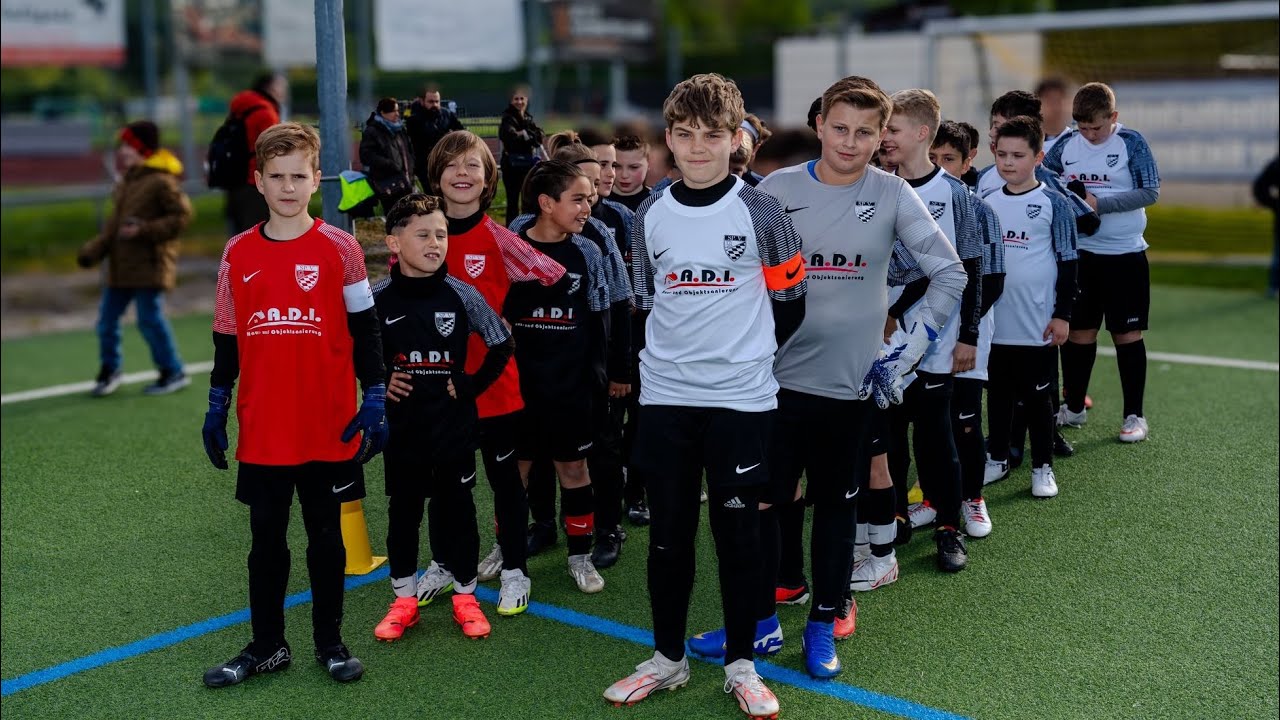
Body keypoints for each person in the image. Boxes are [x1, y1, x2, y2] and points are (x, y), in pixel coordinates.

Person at [604, 73, 806, 718]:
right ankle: (666, 659)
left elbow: (792, 302)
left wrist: (743, 357)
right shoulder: (648, 213)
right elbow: (642, 301)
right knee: (668, 535)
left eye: (711, 135)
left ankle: (743, 663)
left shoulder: (763, 209)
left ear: (735, 139)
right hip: (666, 400)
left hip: (742, 402)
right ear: (668, 139)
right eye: (684, 136)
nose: (697, 148)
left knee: (739, 535)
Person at [200, 122, 387, 688]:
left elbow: (366, 330)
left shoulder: (342, 247)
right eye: (276, 176)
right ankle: (266, 646)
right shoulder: (237, 252)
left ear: (315, 181)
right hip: (265, 427)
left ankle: (330, 642)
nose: (287, 186)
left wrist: (375, 394)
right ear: (258, 180)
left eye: (298, 176)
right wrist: (217, 400)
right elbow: (227, 336)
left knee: (326, 539)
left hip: (328, 424)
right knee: (265, 541)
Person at [409, 130, 566, 617]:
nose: (462, 173)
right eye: (452, 165)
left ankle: (516, 569)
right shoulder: (419, 234)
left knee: (505, 482)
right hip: (437, 385)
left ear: (487, 179)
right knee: (443, 483)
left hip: (495, 383)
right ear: (436, 176)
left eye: (472, 165)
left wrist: (505, 318)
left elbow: (551, 275)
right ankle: (441, 561)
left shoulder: (500, 237)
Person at [371, 193, 514, 643]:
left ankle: (466, 599)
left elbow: (502, 343)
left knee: (458, 513)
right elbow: (348, 351)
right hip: (403, 431)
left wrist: (471, 384)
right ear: (393, 243)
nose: (435, 243)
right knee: (403, 513)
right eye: (423, 234)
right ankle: (403, 602)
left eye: (441, 234)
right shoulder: (375, 297)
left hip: (453, 428)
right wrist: (377, 381)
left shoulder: (462, 293)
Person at [508, 143, 633, 569]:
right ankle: (541, 526)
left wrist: (617, 368)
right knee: (533, 459)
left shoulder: (595, 239)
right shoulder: (518, 232)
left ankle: (606, 530)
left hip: (581, 377)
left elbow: (617, 305)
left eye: (592, 193)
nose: (591, 201)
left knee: (598, 453)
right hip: (529, 380)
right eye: (581, 193)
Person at [878, 89, 984, 571]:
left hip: (936, 341)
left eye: (892, 130)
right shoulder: (877, 185)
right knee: (891, 433)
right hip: (882, 337)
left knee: (937, 438)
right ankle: (896, 514)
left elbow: (970, 268)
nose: (884, 139)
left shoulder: (956, 194)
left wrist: (970, 335)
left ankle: (947, 525)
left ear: (923, 133)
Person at [1044, 82, 1160, 445]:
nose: (1090, 135)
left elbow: (1150, 191)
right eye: (1083, 128)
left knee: (1126, 334)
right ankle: (1074, 406)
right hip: (1080, 255)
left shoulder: (1133, 142)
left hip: (1125, 254)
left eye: (1097, 127)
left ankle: (1134, 416)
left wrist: (1098, 203)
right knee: (1079, 334)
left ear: (1114, 117)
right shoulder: (1065, 145)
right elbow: (1045, 179)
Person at [981, 116, 1078, 497]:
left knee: (1039, 398)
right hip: (995, 323)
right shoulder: (985, 204)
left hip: (1037, 323)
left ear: (1038, 156)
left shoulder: (1054, 204)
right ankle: (997, 458)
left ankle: (1042, 467)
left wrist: (1063, 314)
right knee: (999, 395)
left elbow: (1069, 262)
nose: (1008, 162)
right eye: (1002, 154)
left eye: (1018, 155)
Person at [929, 120, 1006, 537]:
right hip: (919, 332)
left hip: (965, 332)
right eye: (933, 158)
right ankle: (932, 497)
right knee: (929, 422)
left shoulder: (978, 209)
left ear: (966, 162)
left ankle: (972, 498)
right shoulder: (908, 200)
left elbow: (991, 280)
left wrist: (965, 330)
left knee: (965, 418)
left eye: (949, 159)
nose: (940, 166)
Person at [78, 120, 194, 397]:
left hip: (149, 265)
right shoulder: (127, 182)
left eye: (128, 146)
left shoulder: (161, 180)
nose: (123, 151)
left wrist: (144, 231)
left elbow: (182, 216)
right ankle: (110, 370)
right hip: (120, 268)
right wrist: (93, 251)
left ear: (142, 148)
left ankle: (173, 370)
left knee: (149, 320)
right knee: (106, 321)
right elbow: (114, 228)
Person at [224, 72, 287, 234]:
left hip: (235, 178)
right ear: (269, 89)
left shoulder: (242, 108)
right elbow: (274, 149)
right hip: (255, 180)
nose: (284, 93)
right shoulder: (266, 113)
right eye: (281, 87)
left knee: (240, 234)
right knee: (257, 234)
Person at [359, 97, 416, 215]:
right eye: (393, 111)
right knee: (394, 215)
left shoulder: (399, 130)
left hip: (405, 181)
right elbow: (366, 155)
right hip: (388, 183)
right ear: (383, 113)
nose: (397, 114)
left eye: (397, 111)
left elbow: (408, 152)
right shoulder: (373, 131)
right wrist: (389, 164)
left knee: (409, 216)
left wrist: (411, 167)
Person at [498, 85, 546, 225]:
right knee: (512, 201)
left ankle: (526, 228)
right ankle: (511, 229)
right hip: (512, 166)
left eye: (522, 98)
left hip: (527, 165)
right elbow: (509, 137)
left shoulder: (528, 118)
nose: (519, 102)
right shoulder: (507, 117)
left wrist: (525, 135)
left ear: (526, 100)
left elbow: (539, 136)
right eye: (516, 99)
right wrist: (528, 136)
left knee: (528, 199)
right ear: (511, 101)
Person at [404, 83, 465, 191]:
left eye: (437, 101)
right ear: (422, 102)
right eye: (431, 102)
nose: (435, 105)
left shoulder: (446, 114)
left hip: (445, 162)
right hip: (425, 165)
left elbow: (461, 131)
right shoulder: (414, 120)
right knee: (432, 195)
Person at [1252, 156, 1279, 298]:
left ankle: (1274, 287)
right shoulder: (1276, 165)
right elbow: (1260, 186)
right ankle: (1274, 287)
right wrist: (1272, 203)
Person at [610, 134, 652, 214]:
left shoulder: (657, 202)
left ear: (649, 164)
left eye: (634, 167)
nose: (624, 175)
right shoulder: (597, 201)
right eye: (616, 166)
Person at [1036, 76, 1075, 156]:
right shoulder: (1025, 142)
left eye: (1060, 100)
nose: (1056, 108)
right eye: (1050, 101)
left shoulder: (1081, 142)